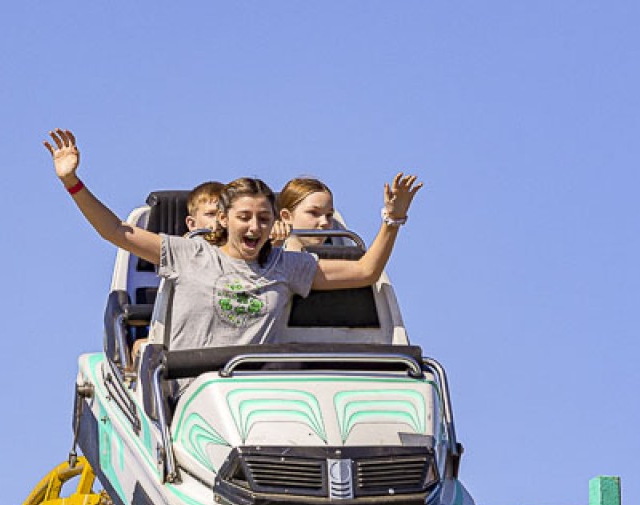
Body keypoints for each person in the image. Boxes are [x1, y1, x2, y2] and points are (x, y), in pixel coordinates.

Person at [44, 128, 422, 352]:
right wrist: (71, 182)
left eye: (263, 218)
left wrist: (392, 219)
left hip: (251, 400)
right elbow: (115, 231)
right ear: (224, 219)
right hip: (192, 394)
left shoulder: (286, 266)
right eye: (244, 217)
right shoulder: (188, 253)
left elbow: (366, 271)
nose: (254, 227)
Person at [273, 176, 338, 251]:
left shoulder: (344, 259)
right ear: (286, 216)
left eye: (329, 215)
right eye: (313, 213)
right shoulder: (264, 258)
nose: (325, 222)